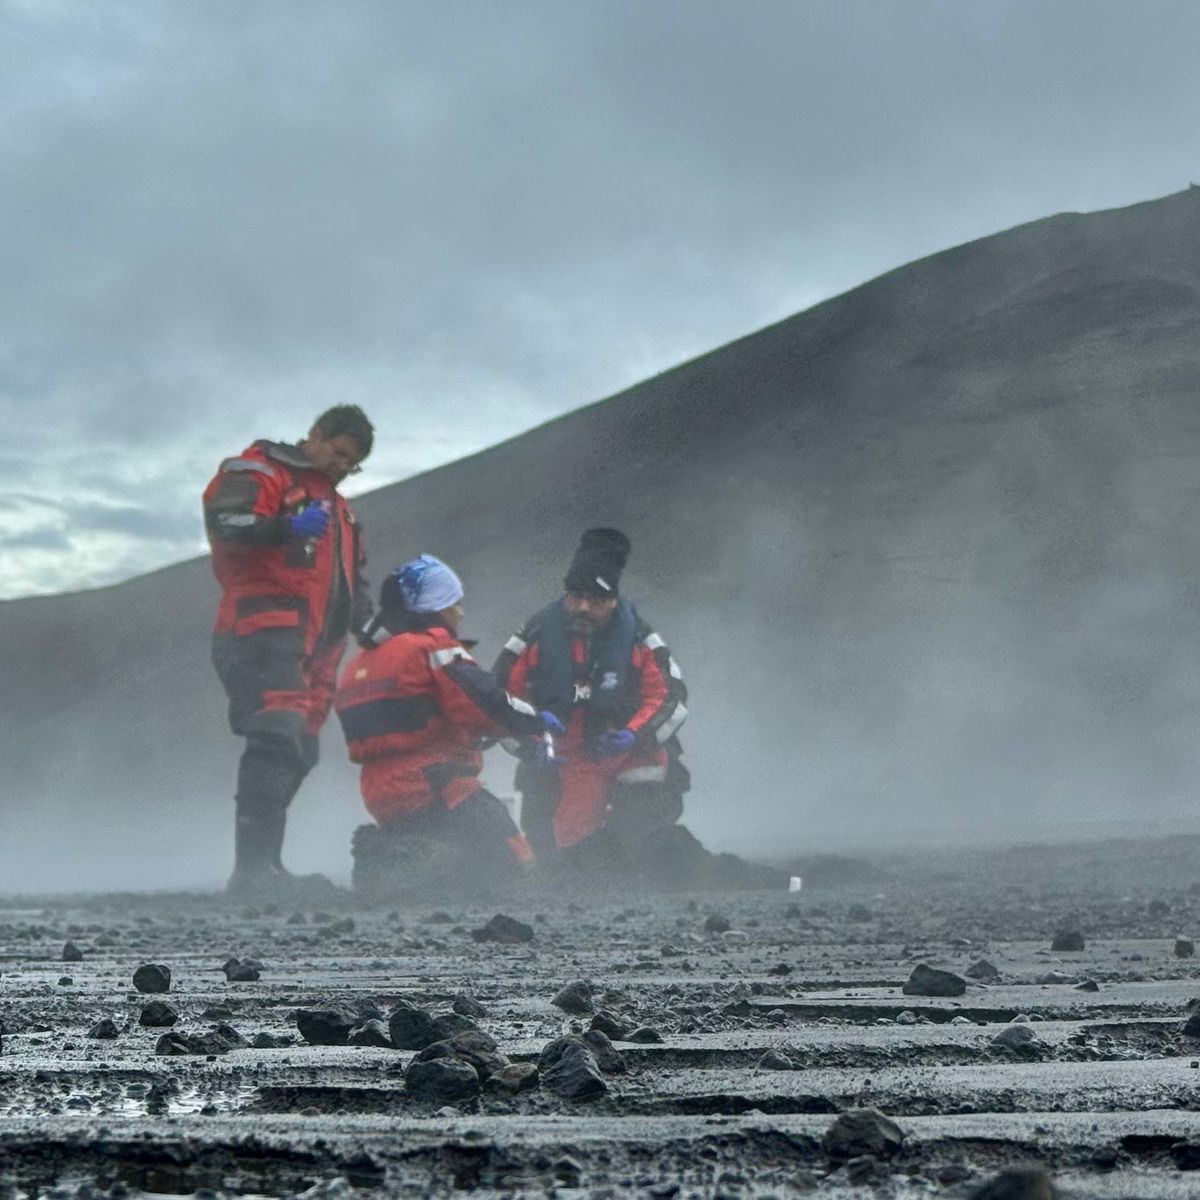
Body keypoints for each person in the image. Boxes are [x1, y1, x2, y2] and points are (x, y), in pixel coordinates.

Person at [202, 404, 374, 895]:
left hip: (317, 646)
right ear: (316, 435)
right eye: (338, 452)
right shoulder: (260, 470)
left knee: (301, 748)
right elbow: (225, 520)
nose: (342, 466)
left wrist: (370, 627)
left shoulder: (341, 511)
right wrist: (284, 526)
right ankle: (251, 872)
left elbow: (350, 582)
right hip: (262, 628)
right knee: (276, 734)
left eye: (353, 463)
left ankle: (267, 867)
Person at [335, 554, 562, 896]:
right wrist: (532, 718)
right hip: (435, 782)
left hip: (379, 791)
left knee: (439, 842)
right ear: (436, 607)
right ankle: (436, 874)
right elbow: (483, 701)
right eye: (455, 603)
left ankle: (387, 859)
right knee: (507, 851)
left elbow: (422, 718)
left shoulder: (358, 665)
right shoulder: (432, 647)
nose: (461, 612)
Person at [492, 528, 692, 881]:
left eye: (596, 599)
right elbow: (498, 700)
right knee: (561, 867)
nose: (584, 607)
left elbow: (669, 698)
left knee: (639, 850)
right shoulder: (533, 636)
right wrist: (530, 743)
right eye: (576, 596)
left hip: (628, 758)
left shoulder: (642, 640)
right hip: (563, 764)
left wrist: (635, 735)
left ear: (614, 599)